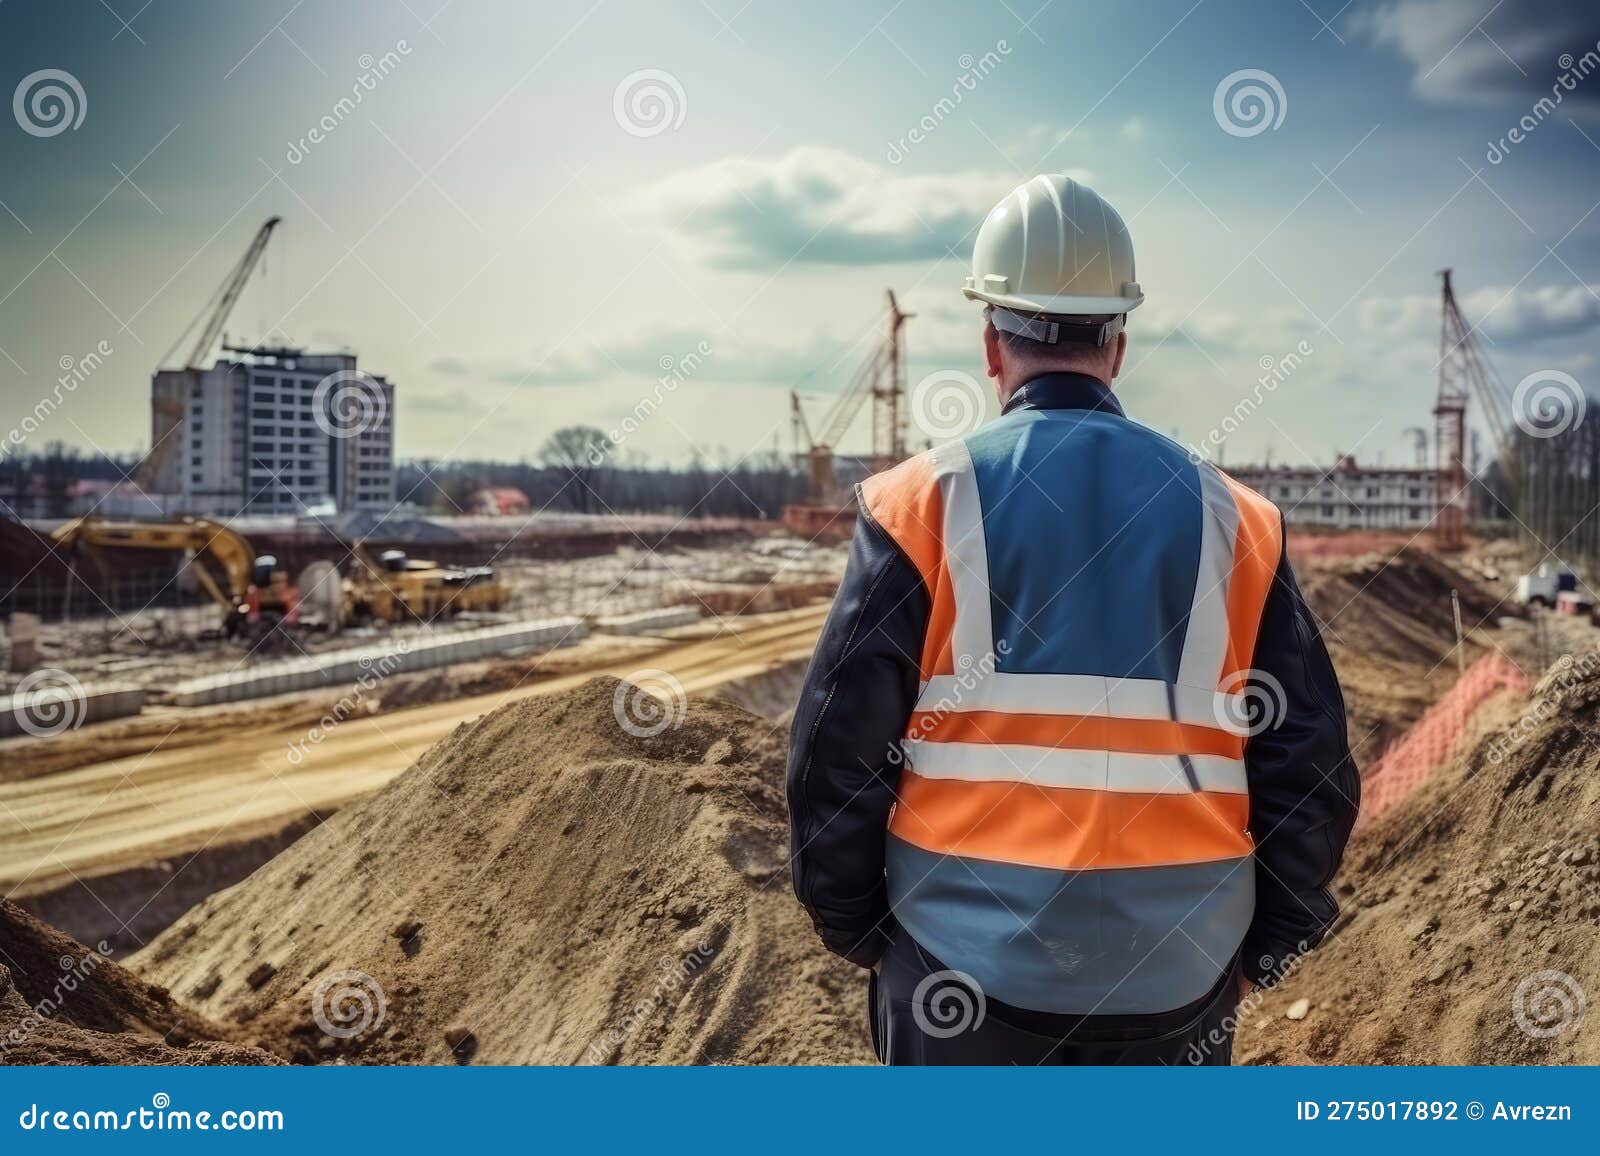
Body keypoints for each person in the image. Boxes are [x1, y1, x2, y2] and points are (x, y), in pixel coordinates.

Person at [786, 175, 1358, 1065]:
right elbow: (1308, 764)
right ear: (1118, 345)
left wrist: (865, 931)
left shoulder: (919, 506)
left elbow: (836, 753)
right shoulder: (1237, 521)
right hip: (1182, 979)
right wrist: (1265, 946)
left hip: (958, 975)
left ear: (990, 344)